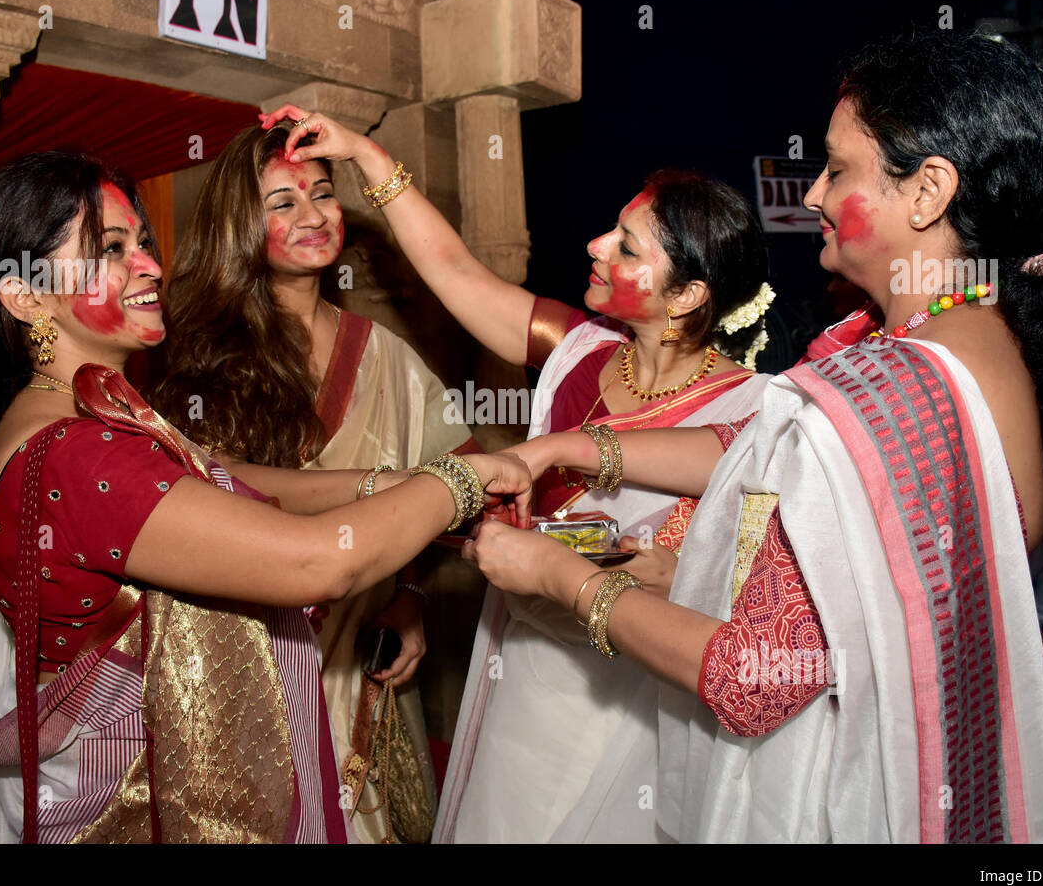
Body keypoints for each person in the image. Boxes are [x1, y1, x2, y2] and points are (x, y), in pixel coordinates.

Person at [463, 31, 1043, 842]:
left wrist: (554, 574)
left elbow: (753, 676)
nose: (813, 193)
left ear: (927, 191)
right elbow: (763, 456)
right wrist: (566, 449)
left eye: (838, 168)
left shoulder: (894, 395)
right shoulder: (976, 332)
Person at [0, 150, 531, 844]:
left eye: (143, 242)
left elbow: (221, 475)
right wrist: (457, 483)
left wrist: (386, 483)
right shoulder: (77, 452)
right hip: (137, 805)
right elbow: (315, 564)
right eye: (111, 250)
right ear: (27, 296)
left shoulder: (77, 412)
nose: (151, 265)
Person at [264, 108, 777, 840]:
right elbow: (453, 273)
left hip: (642, 697)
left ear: (688, 295)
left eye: (625, 245)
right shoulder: (577, 352)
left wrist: (679, 569)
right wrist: (365, 156)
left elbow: (772, 590)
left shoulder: (754, 412)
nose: (596, 245)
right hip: (526, 674)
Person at [150, 120, 479, 843]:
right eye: (282, 204)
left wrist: (410, 596)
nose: (315, 216)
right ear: (241, 225)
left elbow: (447, 488)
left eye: (323, 194)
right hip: (246, 660)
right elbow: (191, 515)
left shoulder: (387, 356)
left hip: (359, 658)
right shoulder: (198, 359)